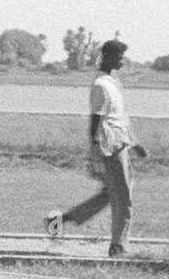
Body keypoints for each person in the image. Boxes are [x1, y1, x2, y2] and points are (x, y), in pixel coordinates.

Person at [49, 39, 146, 257]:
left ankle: (60, 221)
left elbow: (121, 117)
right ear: (109, 57)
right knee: (123, 197)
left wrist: (135, 143)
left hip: (121, 143)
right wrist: (95, 149)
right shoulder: (101, 85)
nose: (123, 61)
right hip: (110, 146)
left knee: (110, 194)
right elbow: (97, 119)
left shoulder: (112, 82)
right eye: (120, 57)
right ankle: (118, 246)